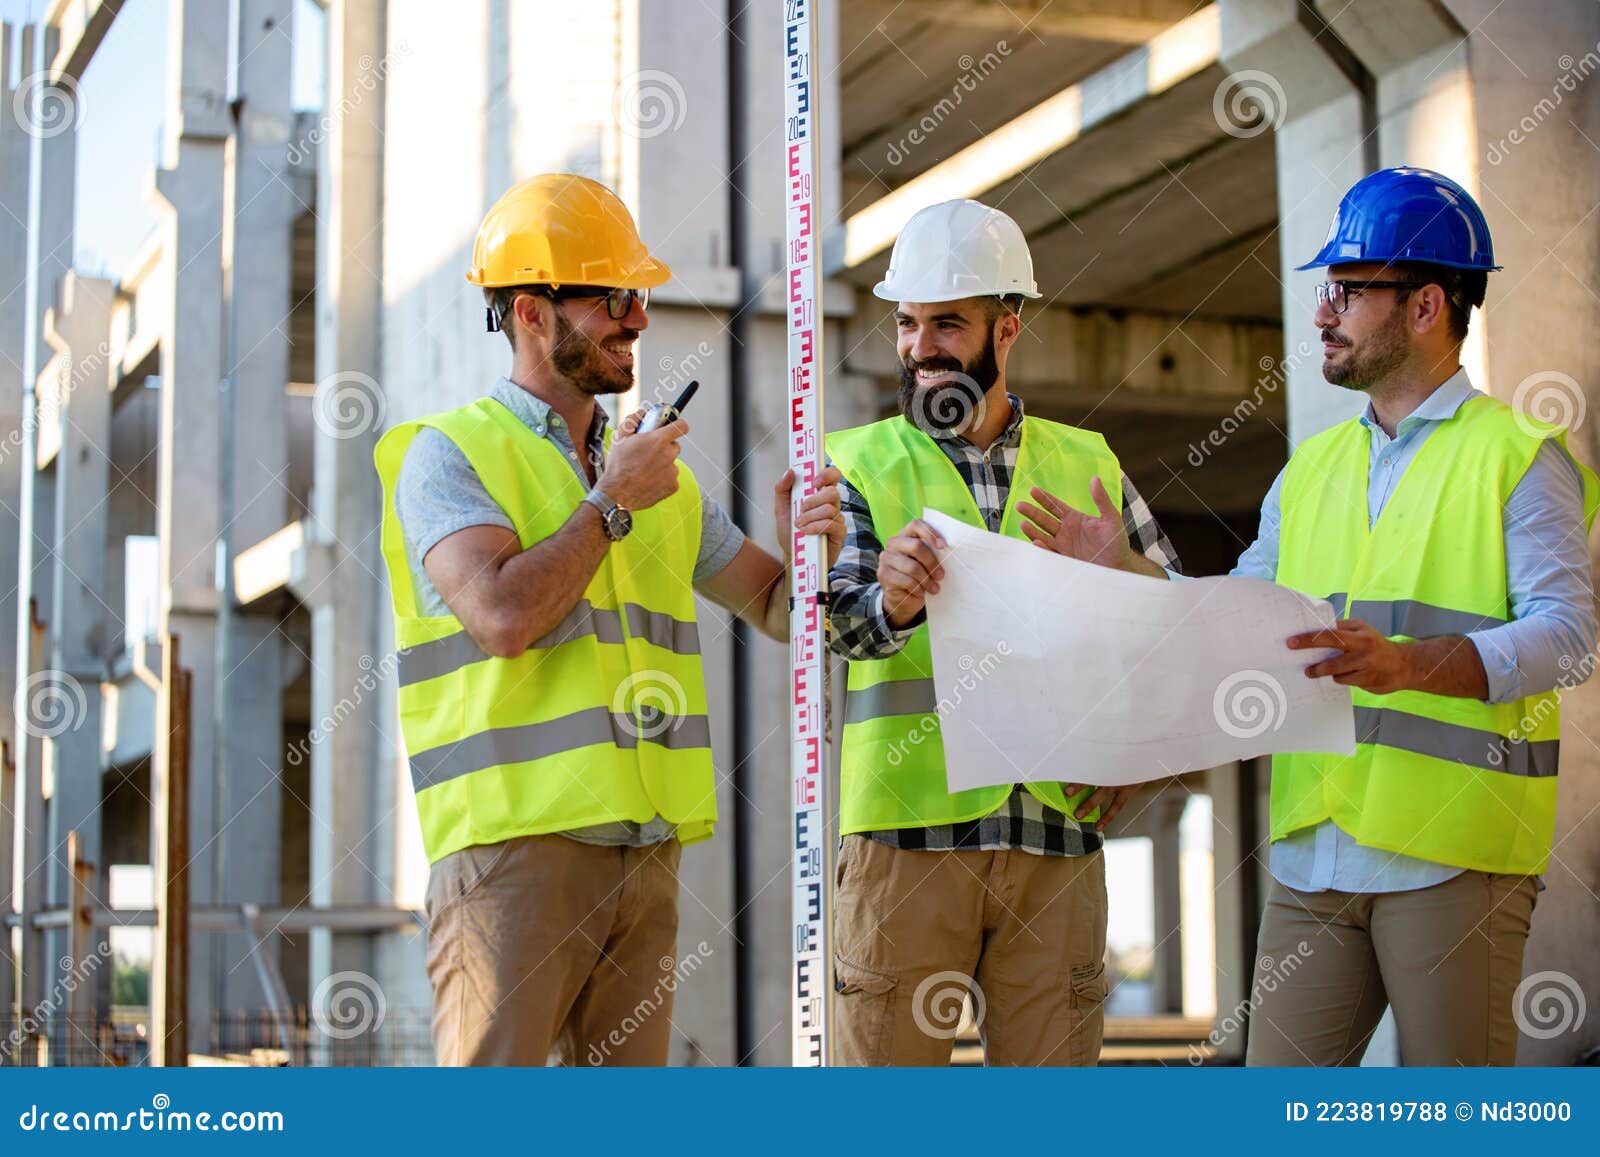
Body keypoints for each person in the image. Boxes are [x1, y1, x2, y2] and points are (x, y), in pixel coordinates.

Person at [373, 173, 843, 1065]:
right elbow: (503, 616)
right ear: (532, 314)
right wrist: (610, 504)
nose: (637, 319)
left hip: (646, 860)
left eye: (638, 297)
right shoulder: (448, 454)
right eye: (611, 297)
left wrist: (804, 554)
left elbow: (778, 609)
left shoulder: (654, 477)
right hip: (513, 860)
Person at [1234, 167, 1597, 1065]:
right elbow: (1238, 616)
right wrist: (1127, 566)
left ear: (1428, 304)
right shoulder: (1310, 468)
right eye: (1328, 290)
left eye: (1350, 291)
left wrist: (1407, 664)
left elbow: (1570, 636)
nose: (1325, 312)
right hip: (1313, 852)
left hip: (1452, 861)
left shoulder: (1517, 457)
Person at [824, 198, 1181, 1066]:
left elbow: (1176, 629)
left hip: (1055, 840)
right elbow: (840, 626)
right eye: (908, 323)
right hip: (908, 844)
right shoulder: (856, 461)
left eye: (948, 322)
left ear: (1007, 326)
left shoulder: (1088, 463)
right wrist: (892, 600)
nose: (920, 345)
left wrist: (1137, 753)